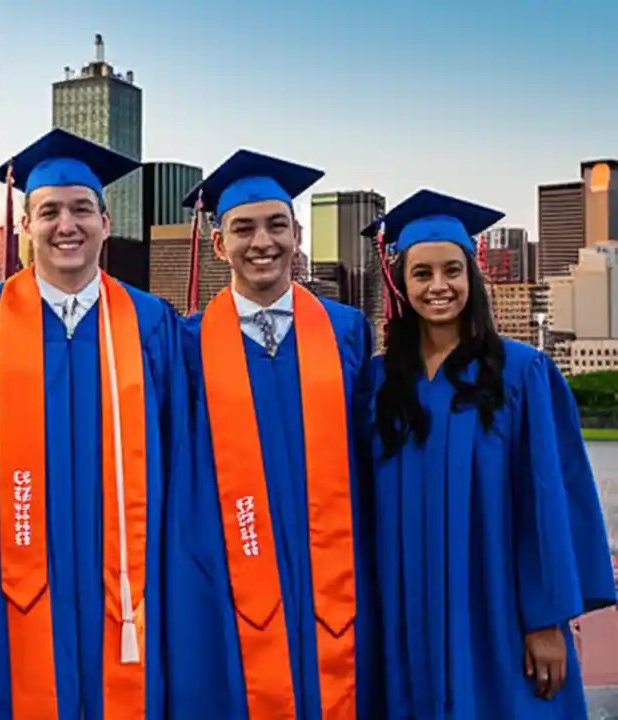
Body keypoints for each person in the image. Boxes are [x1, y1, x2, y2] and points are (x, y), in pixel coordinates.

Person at [0, 128, 189, 718]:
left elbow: (178, 467)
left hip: (128, 599)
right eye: (48, 211)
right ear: (25, 225)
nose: (65, 226)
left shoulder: (152, 326)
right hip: (3, 596)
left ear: (104, 219)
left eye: (80, 210)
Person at [364, 189, 616, 718]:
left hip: (496, 602)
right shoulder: (379, 382)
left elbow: (548, 500)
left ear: (473, 277)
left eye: (452, 270)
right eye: (422, 273)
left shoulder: (521, 373)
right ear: (400, 284)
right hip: (402, 605)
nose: (439, 286)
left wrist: (546, 621)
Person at [166, 150, 382, 719]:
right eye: (243, 228)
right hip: (227, 567)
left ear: (297, 234)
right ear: (218, 245)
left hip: (334, 569)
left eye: (276, 225)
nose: (262, 242)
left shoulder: (346, 333)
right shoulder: (185, 346)